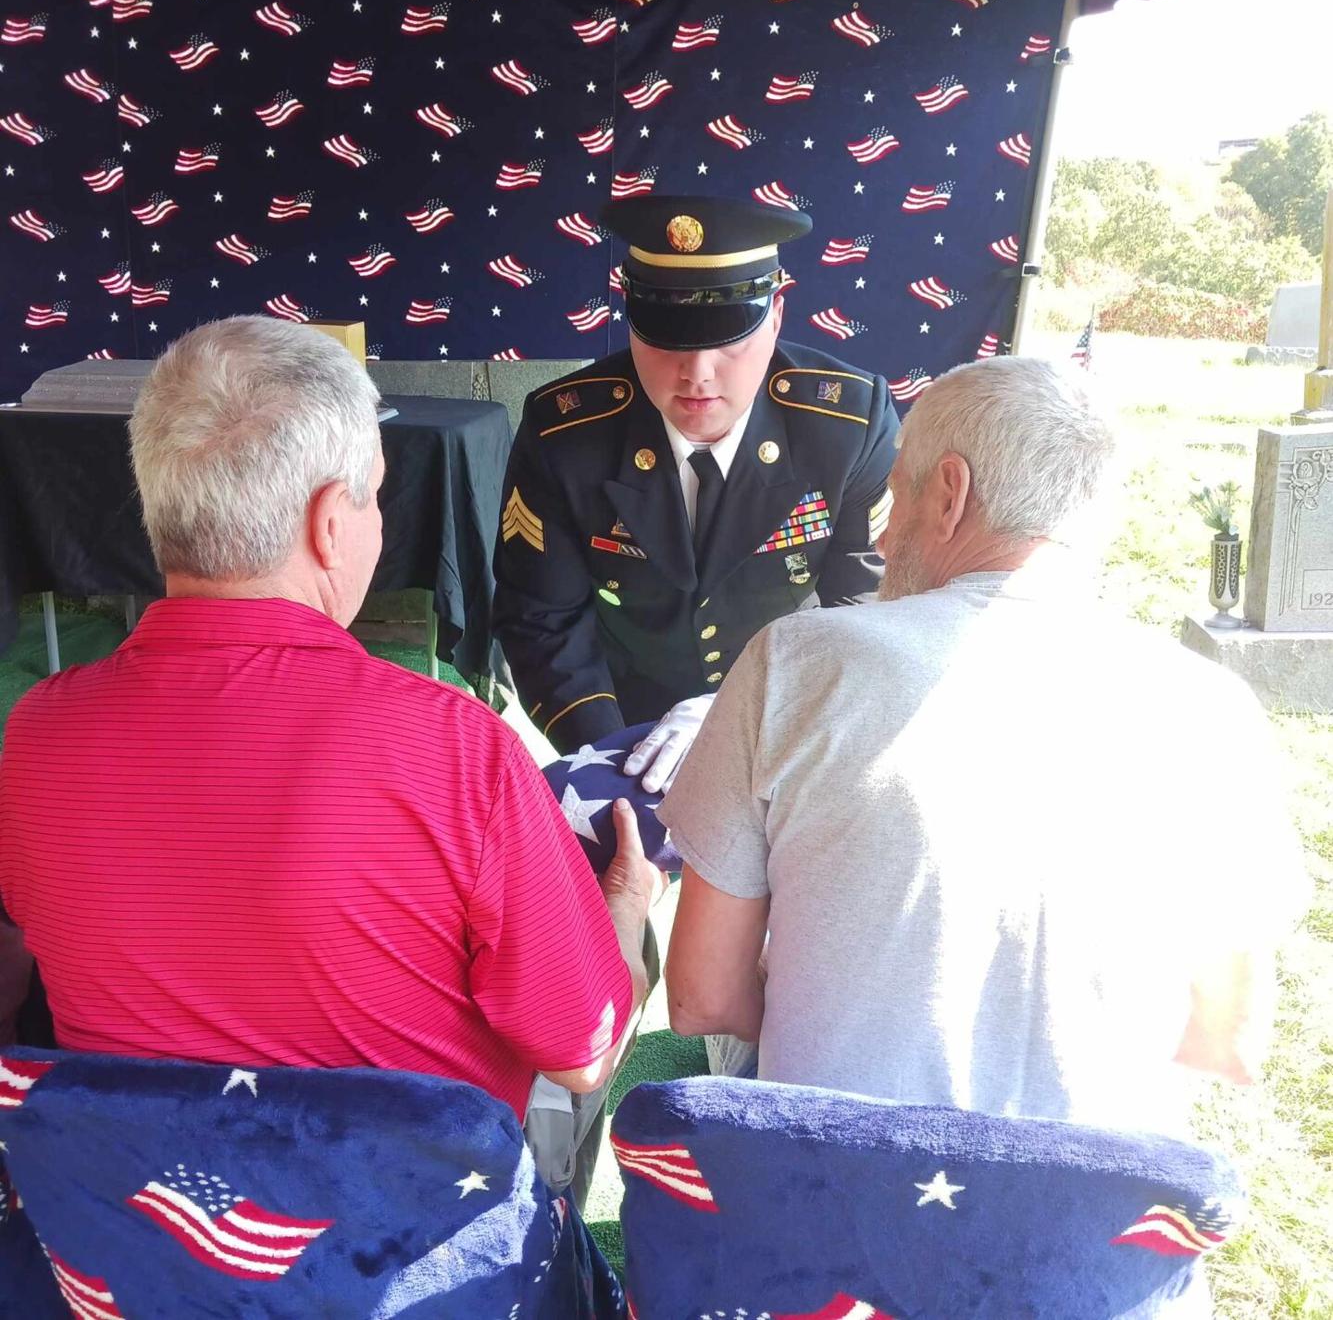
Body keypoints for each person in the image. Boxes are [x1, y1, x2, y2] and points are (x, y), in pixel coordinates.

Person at [0, 317, 662, 1194]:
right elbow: (580, 1052)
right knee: (612, 984)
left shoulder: (34, 732)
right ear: (326, 524)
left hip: (142, 1243)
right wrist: (623, 910)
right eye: (374, 498)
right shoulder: (458, 746)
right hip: (403, 1257)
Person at [660, 355, 1308, 1137]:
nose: (882, 527)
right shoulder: (1216, 710)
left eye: (894, 492)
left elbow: (702, 996)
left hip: (835, 1207)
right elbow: (1228, 1043)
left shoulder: (795, 661)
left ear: (948, 493)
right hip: (1089, 1227)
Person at [493, 194, 899, 786]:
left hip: (788, 711)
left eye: (729, 338)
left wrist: (756, 716)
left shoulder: (847, 426)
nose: (698, 373)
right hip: (620, 718)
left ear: (778, 313)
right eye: (669, 339)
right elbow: (542, 619)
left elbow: (864, 608)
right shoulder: (565, 433)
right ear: (630, 316)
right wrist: (619, 763)